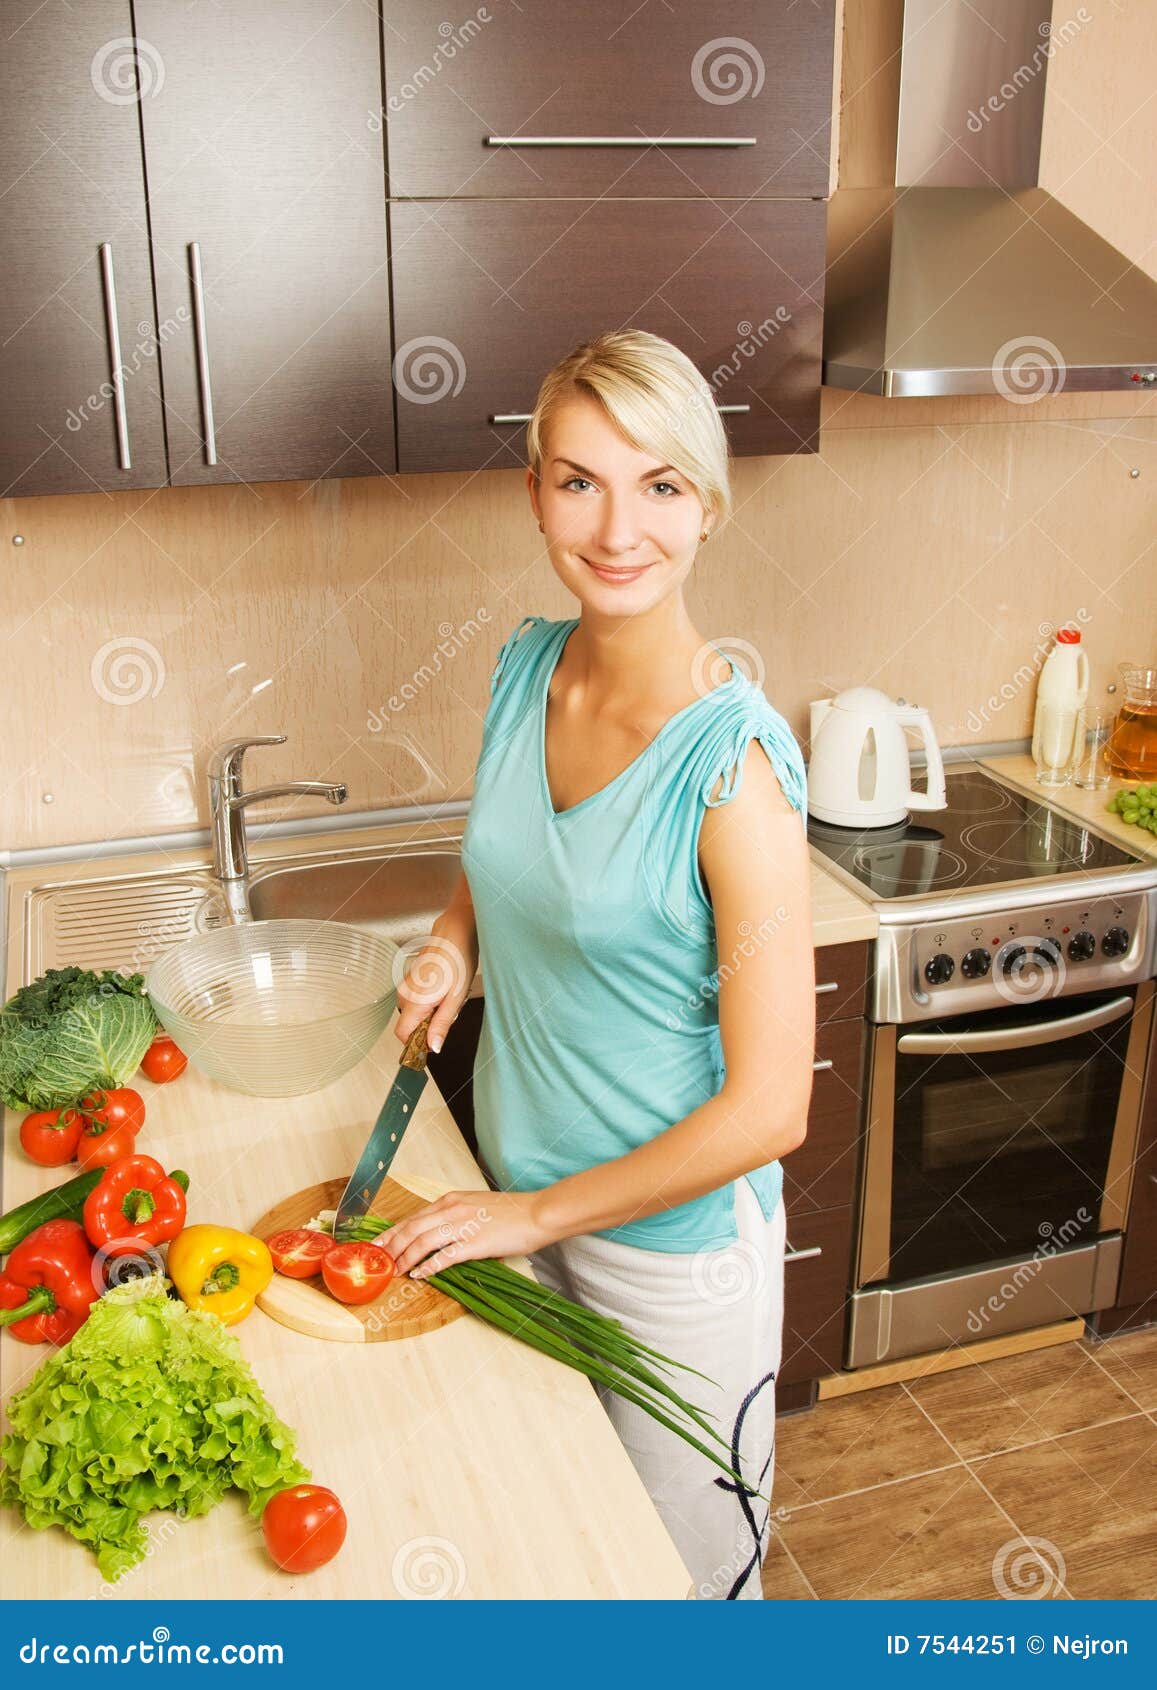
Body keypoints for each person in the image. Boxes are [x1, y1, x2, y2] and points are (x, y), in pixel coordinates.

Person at [384, 329, 816, 1599]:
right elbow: (497, 859)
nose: (616, 525)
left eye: (659, 484)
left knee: (679, 1590)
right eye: (579, 480)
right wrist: (448, 947)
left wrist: (525, 1216)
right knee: (553, 1550)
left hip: (673, 1259)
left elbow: (770, 1106)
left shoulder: (730, 770)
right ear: (534, 495)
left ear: (709, 505)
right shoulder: (527, 667)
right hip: (513, 1203)